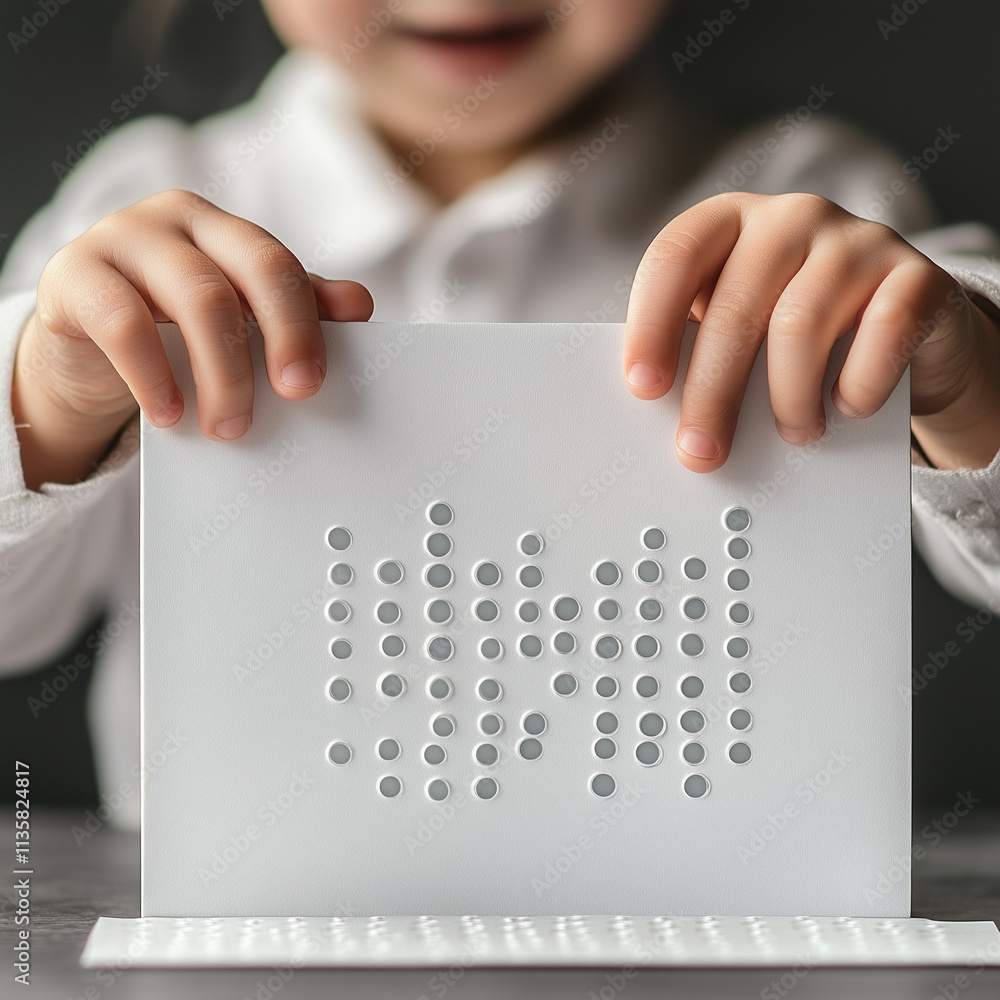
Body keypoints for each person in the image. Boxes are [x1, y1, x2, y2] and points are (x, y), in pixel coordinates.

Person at [2, 0, 999, 827]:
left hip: (718, 918)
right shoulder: (145, 202)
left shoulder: (814, 196)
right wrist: (52, 398)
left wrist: (963, 375)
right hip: (243, 933)